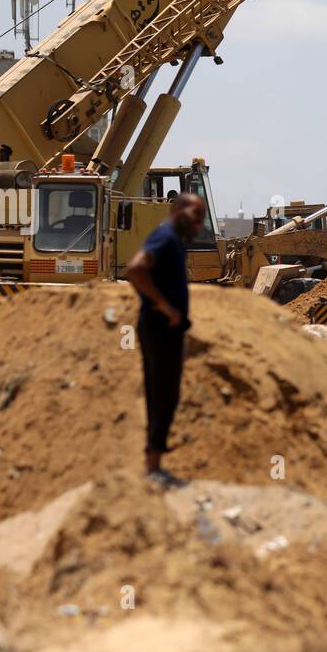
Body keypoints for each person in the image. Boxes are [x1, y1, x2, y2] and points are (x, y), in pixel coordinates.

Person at [124, 193, 207, 485]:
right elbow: (135, 269)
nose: (199, 225)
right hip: (160, 328)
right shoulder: (166, 236)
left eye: (202, 219)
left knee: (162, 393)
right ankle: (153, 466)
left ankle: (153, 460)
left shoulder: (172, 239)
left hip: (161, 327)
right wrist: (165, 306)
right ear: (178, 210)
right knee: (163, 393)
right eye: (195, 217)